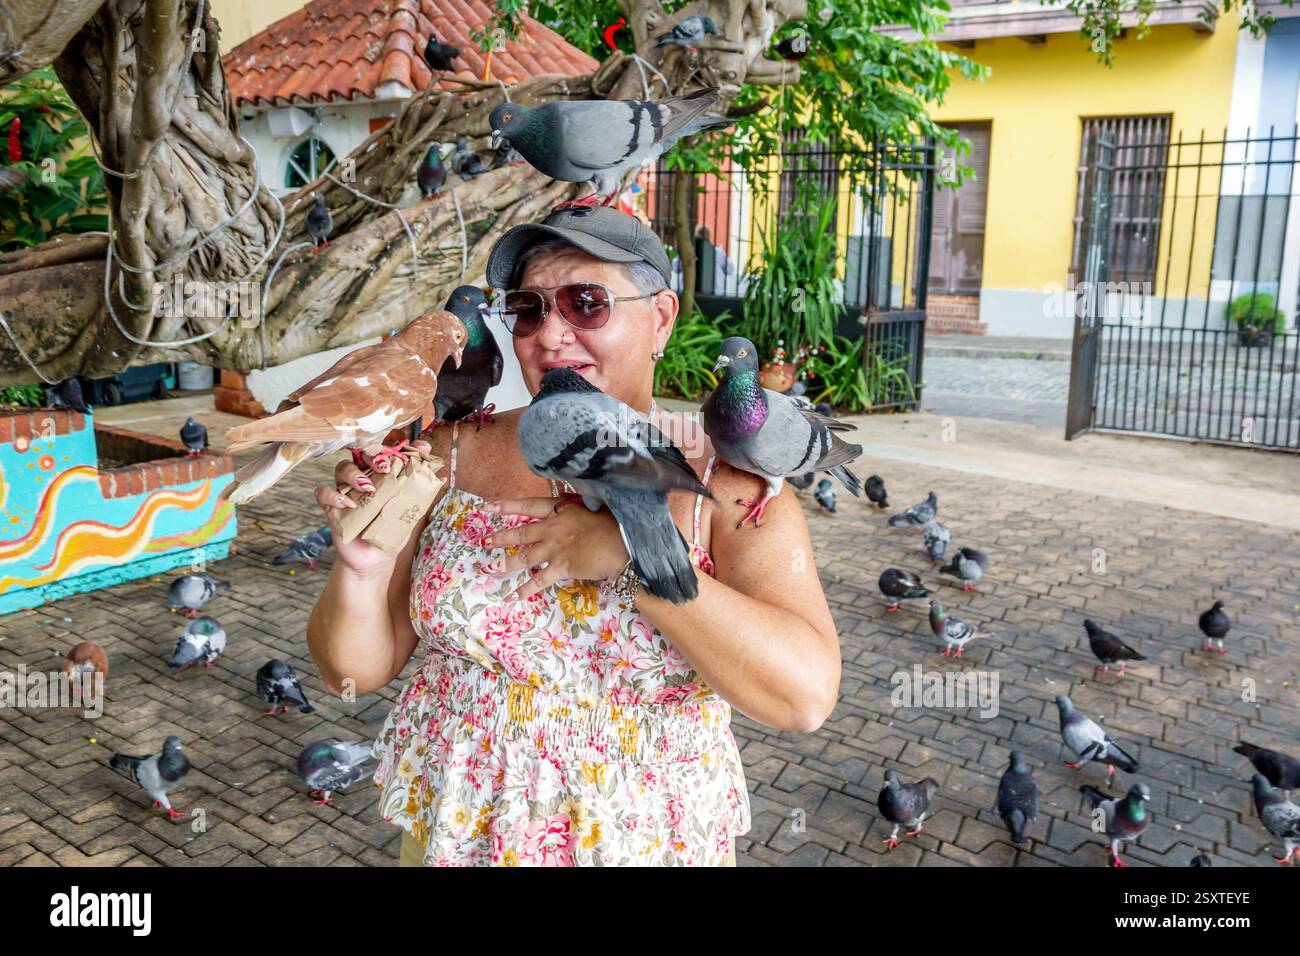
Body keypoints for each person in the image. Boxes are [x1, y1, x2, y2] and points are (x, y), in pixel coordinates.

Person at [306, 200, 842, 867]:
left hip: (645, 844)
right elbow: (351, 671)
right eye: (529, 309)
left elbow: (804, 696)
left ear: (661, 319)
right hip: (462, 840)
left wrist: (634, 558)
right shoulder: (445, 453)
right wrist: (360, 569)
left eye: (586, 303)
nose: (550, 336)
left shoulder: (729, 486)